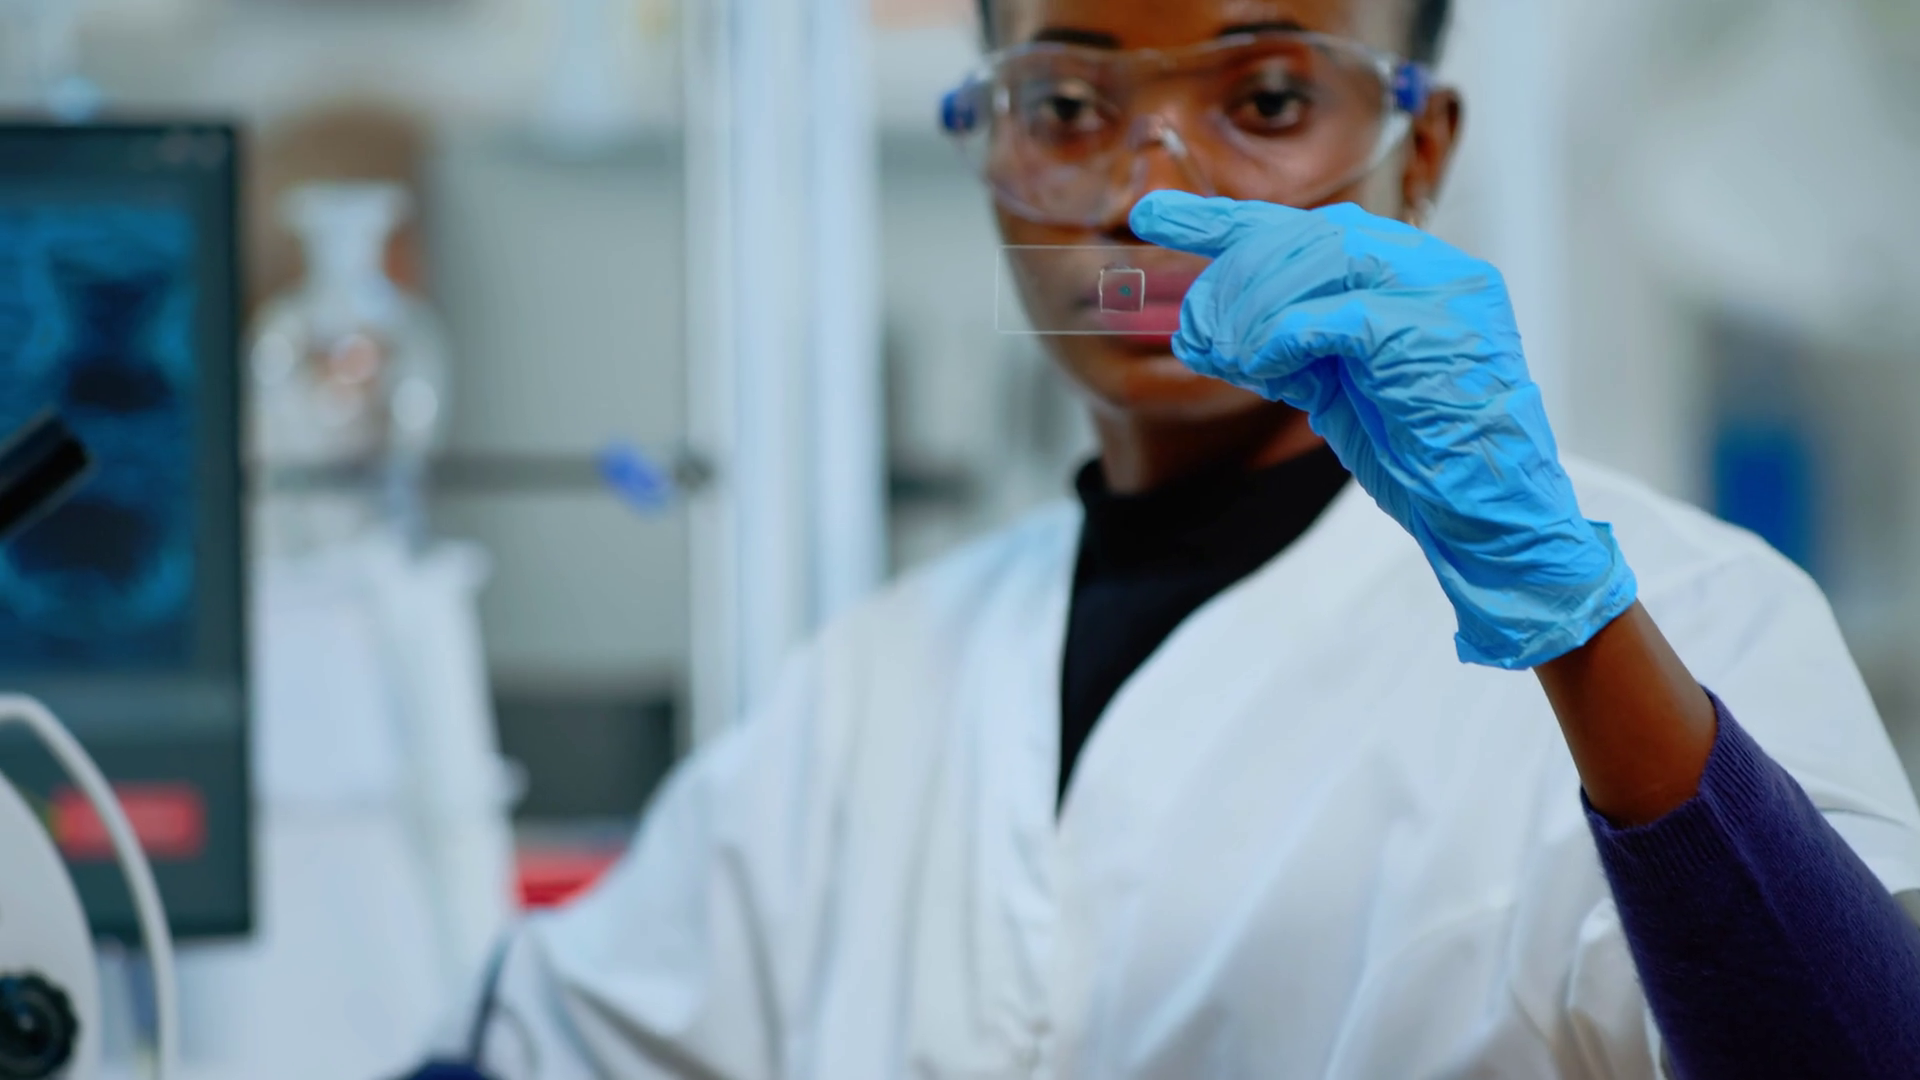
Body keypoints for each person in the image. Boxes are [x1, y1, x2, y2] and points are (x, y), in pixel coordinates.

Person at [411, 0, 1920, 1076]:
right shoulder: (865, 690)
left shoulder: (1696, 615)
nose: (1149, 193)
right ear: (989, 139)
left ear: (1426, 143)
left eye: (1265, 102)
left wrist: (1571, 616)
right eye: (1069, 109)